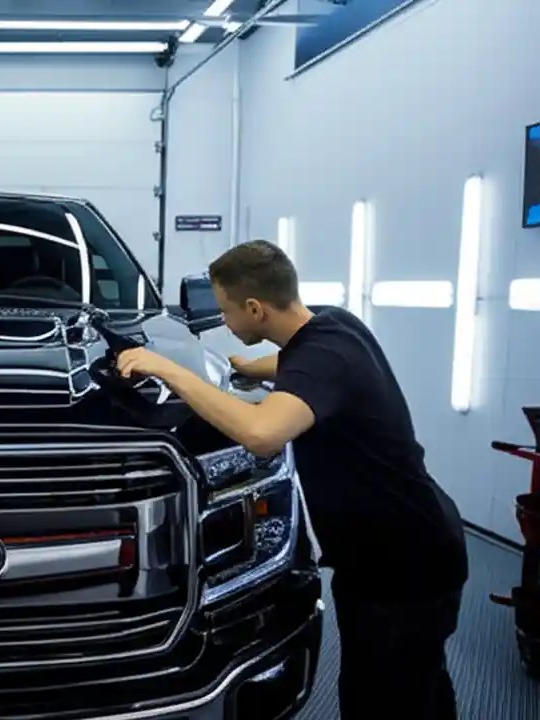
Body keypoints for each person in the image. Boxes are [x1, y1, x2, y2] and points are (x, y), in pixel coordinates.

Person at [116, 240, 468, 719]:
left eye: (225, 312)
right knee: (420, 687)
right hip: (408, 546)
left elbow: (261, 434)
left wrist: (169, 371)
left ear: (255, 309)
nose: (223, 322)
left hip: (402, 566)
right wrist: (236, 369)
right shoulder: (334, 325)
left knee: (384, 698)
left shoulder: (323, 357)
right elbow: (290, 365)